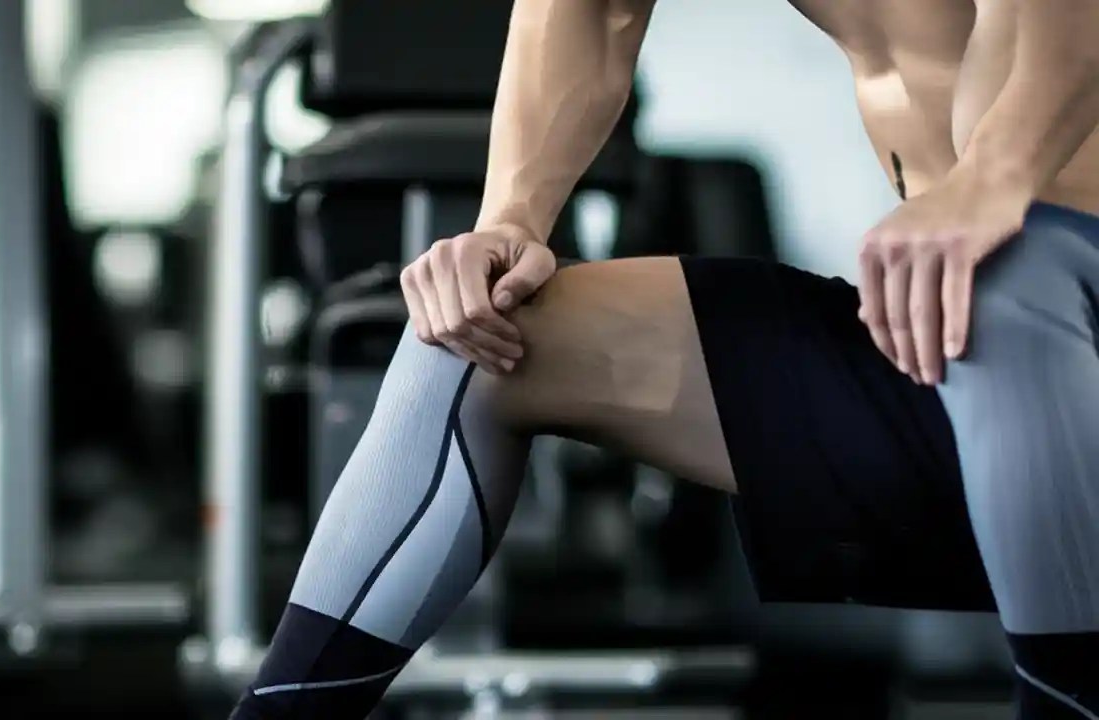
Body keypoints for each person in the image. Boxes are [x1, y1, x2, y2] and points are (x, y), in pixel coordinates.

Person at [231, 0, 1099, 717]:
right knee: (485, 344)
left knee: (1008, 269)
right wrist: (511, 219)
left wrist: (995, 178)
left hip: (1057, 319)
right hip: (962, 369)